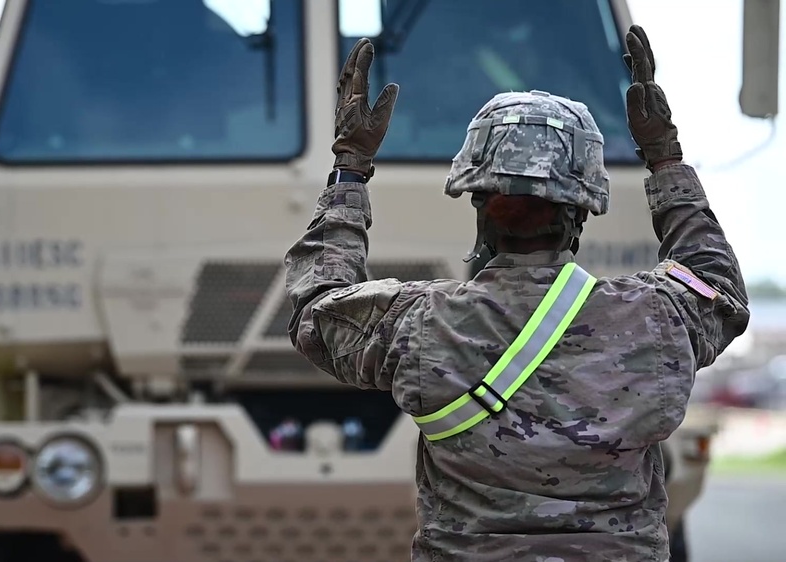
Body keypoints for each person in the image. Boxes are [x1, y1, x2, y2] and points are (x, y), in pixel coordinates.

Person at [284, 26, 749, 561]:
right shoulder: (654, 319)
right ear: (580, 214)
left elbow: (315, 305)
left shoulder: (423, 326)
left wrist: (350, 167)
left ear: (478, 206)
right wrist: (665, 159)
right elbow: (717, 284)